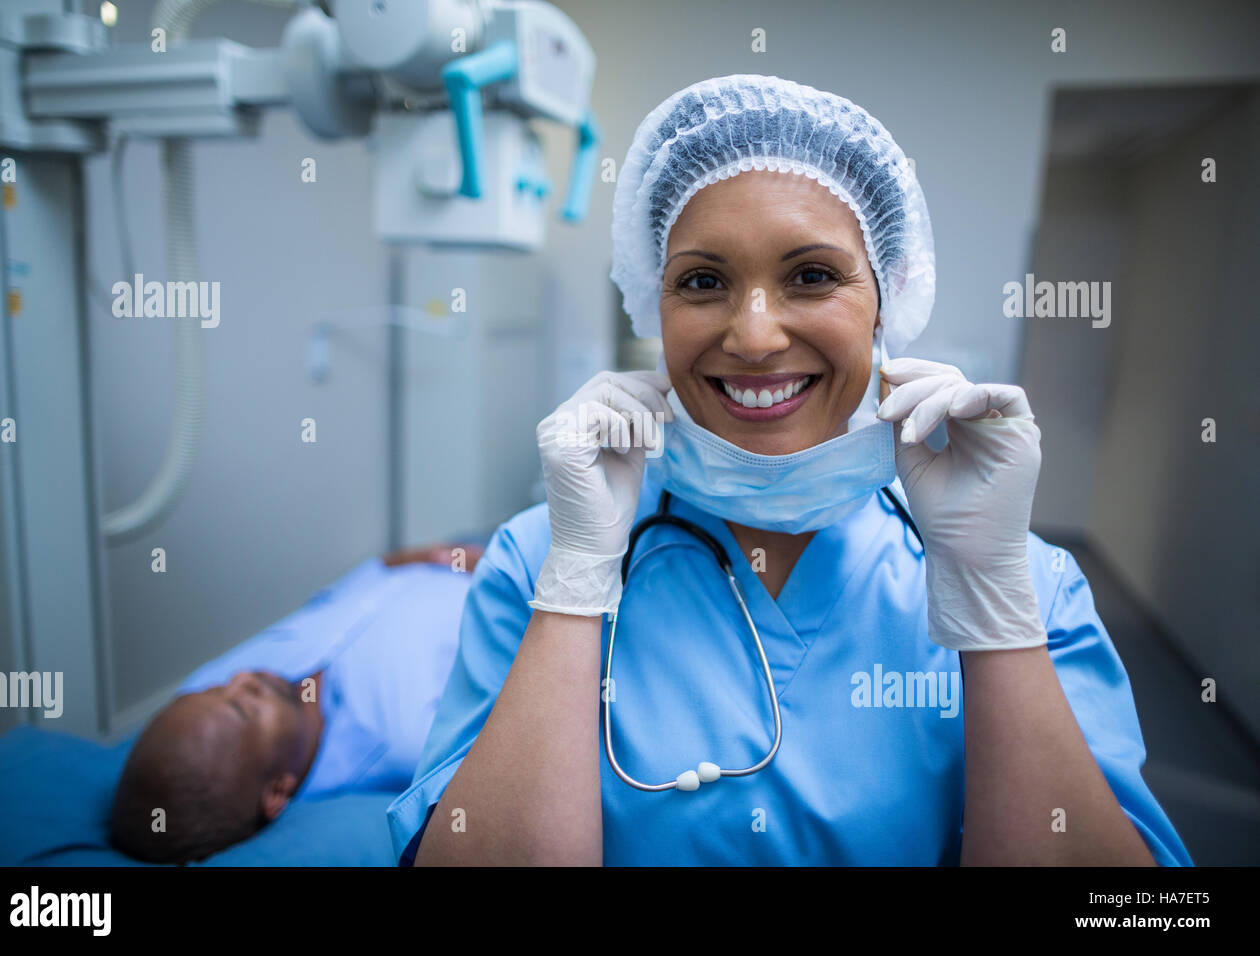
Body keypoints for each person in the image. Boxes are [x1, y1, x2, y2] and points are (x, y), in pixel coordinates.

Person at [387, 75, 1192, 866]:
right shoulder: (538, 561)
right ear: (652, 304)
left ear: (888, 299)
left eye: (812, 275)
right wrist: (577, 582)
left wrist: (989, 598)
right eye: (703, 282)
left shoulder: (1027, 584)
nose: (755, 336)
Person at [109, 544, 481, 864]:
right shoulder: (407, 740)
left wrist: (423, 555)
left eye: (218, 689)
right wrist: (490, 565)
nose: (241, 679)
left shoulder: (204, 694)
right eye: (245, 707)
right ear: (276, 792)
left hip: (430, 558)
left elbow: (338, 600)